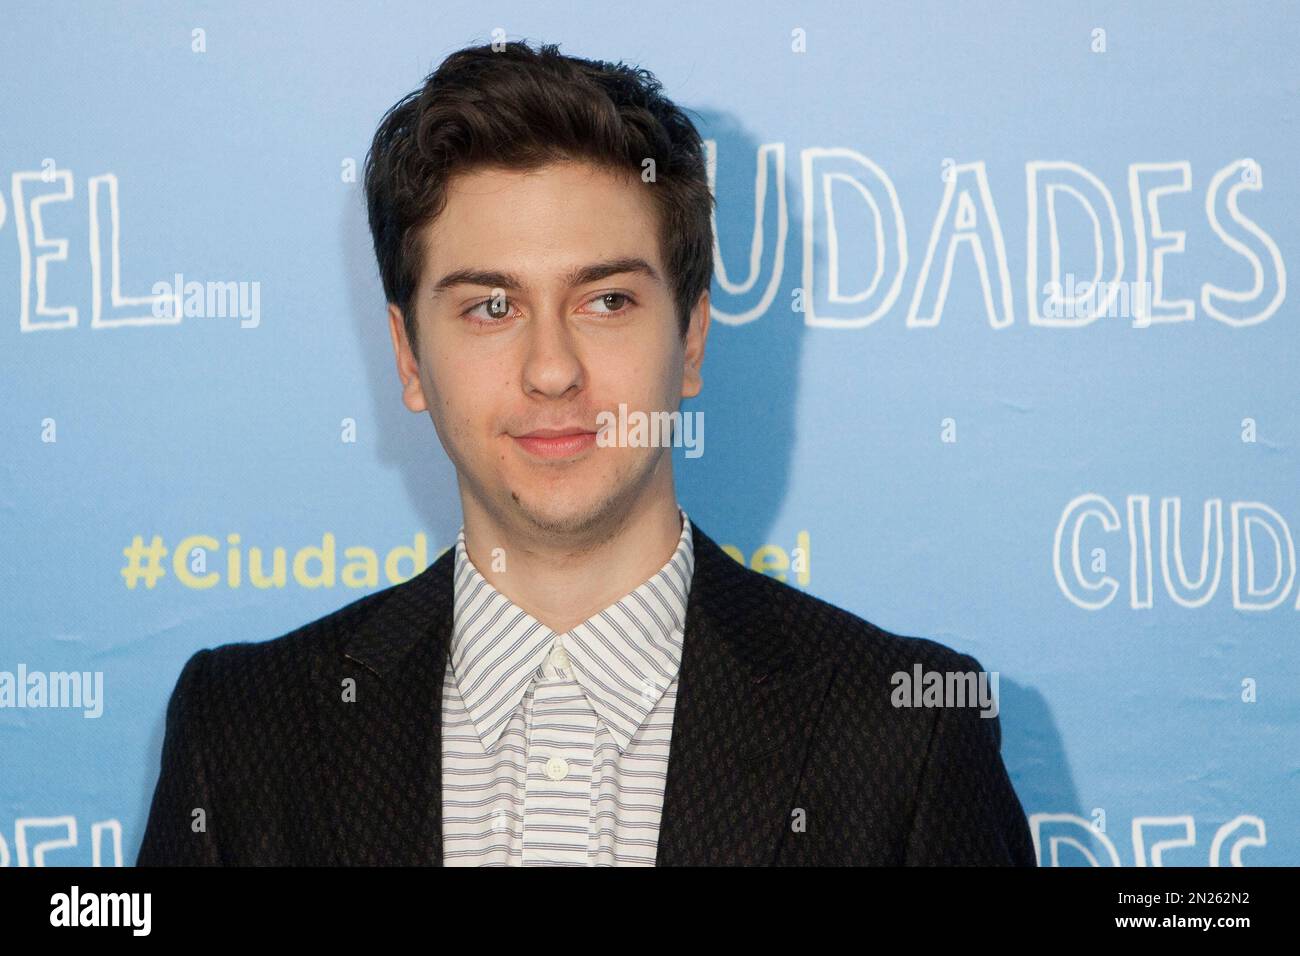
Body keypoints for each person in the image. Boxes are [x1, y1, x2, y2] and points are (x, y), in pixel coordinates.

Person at [137, 38, 1036, 866]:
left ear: (691, 339)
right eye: (491, 307)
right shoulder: (243, 730)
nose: (552, 370)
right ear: (408, 358)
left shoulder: (906, 730)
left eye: (606, 301)